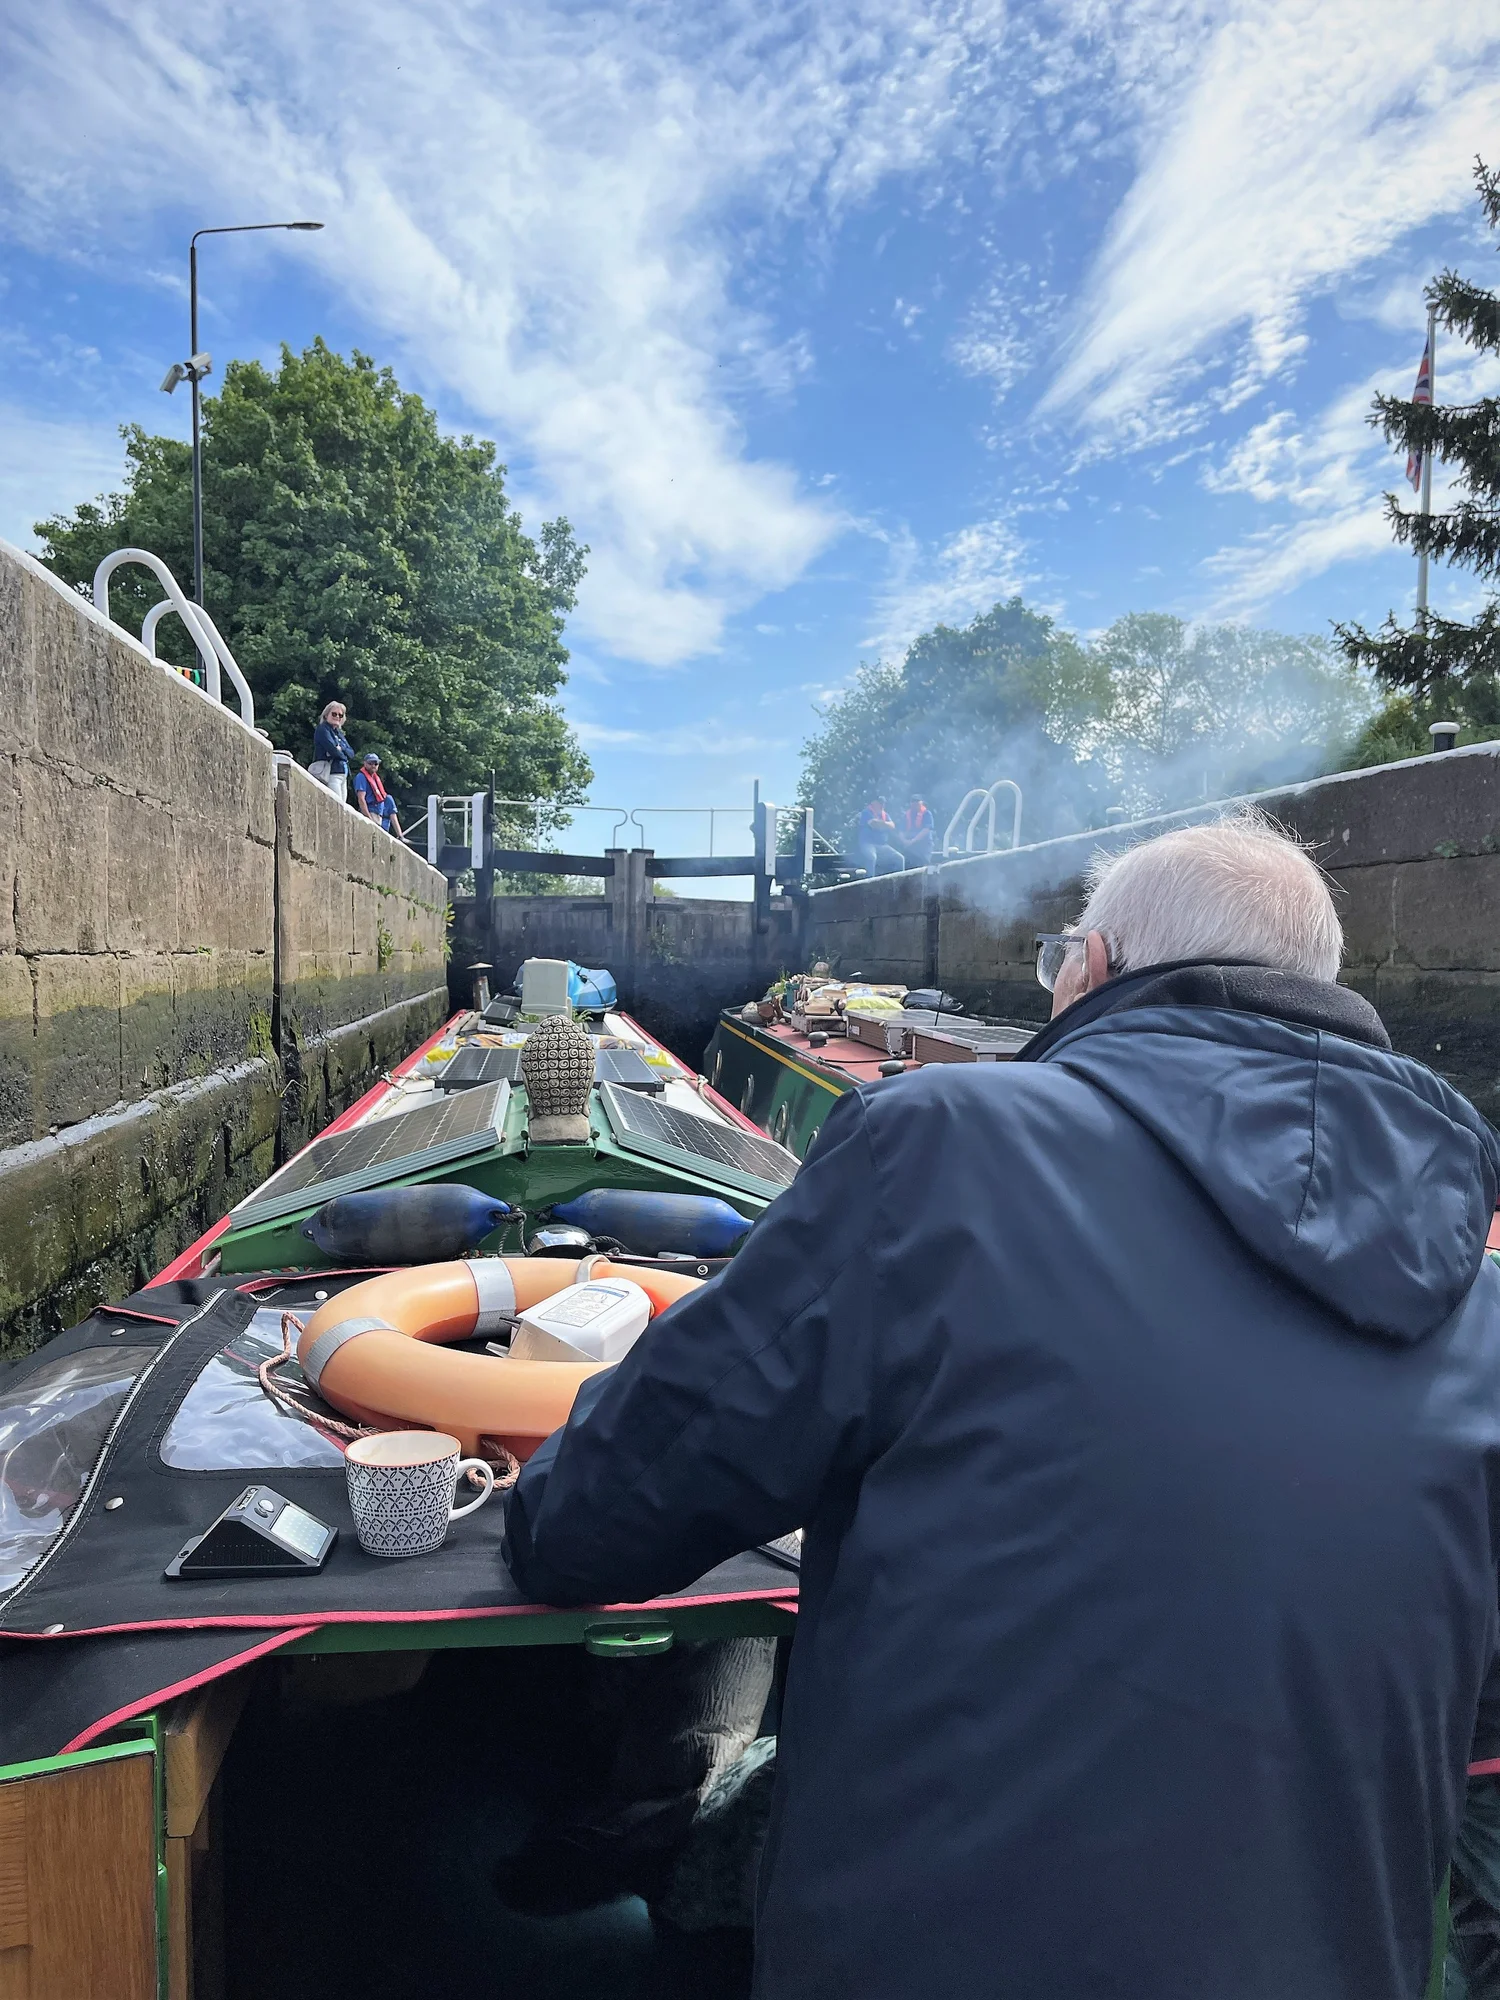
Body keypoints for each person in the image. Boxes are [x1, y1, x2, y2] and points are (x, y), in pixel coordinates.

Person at [505, 809, 1500, 2000]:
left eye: (1060, 954)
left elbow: (600, 1517)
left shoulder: (939, 1144)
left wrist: (533, 1475)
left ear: (1103, 965)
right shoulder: (1481, 1303)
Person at [308, 700, 355, 803]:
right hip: (331, 773)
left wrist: (341, 749)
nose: (337, 717)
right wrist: (342, 752)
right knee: (337, 804)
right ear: (326, 715)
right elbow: (332, 749)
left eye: (340, 715)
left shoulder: (339, 733)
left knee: (343, 807)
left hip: (343, 774)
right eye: (334, 714)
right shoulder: (322, 729)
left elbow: (351, 753)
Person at [352, 752, 402, 839]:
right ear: (365, 763)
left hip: (378, 815)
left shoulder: (375, 778)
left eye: (376, 763)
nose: (373, 765)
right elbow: (361, 799)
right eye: (370, 763)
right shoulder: (361, 777)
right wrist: (368, 819)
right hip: (370, 813)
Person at [854, 796, 903, 875]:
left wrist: (881, 823)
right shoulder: (866, 812)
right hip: (867, 844)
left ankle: (899, 882)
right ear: (874, 803)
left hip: (882, 845)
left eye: (883, 803)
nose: (882, 805)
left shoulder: (885, 814)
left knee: (900, 858)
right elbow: (873, 824)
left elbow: (892, 825)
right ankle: (870, 881)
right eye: (880, 803)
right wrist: (885, 824)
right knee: (872, 857)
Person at [900, 793, 935, 865]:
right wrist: (904, 841)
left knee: (923, 865)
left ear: (921, 803)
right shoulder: (906, 815)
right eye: (913, 803)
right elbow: (901, 831)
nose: (915, 805)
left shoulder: (927, 813)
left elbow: (927, 829)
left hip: (924, 846)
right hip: (909, 847)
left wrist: (913, 840)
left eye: (917, 803)